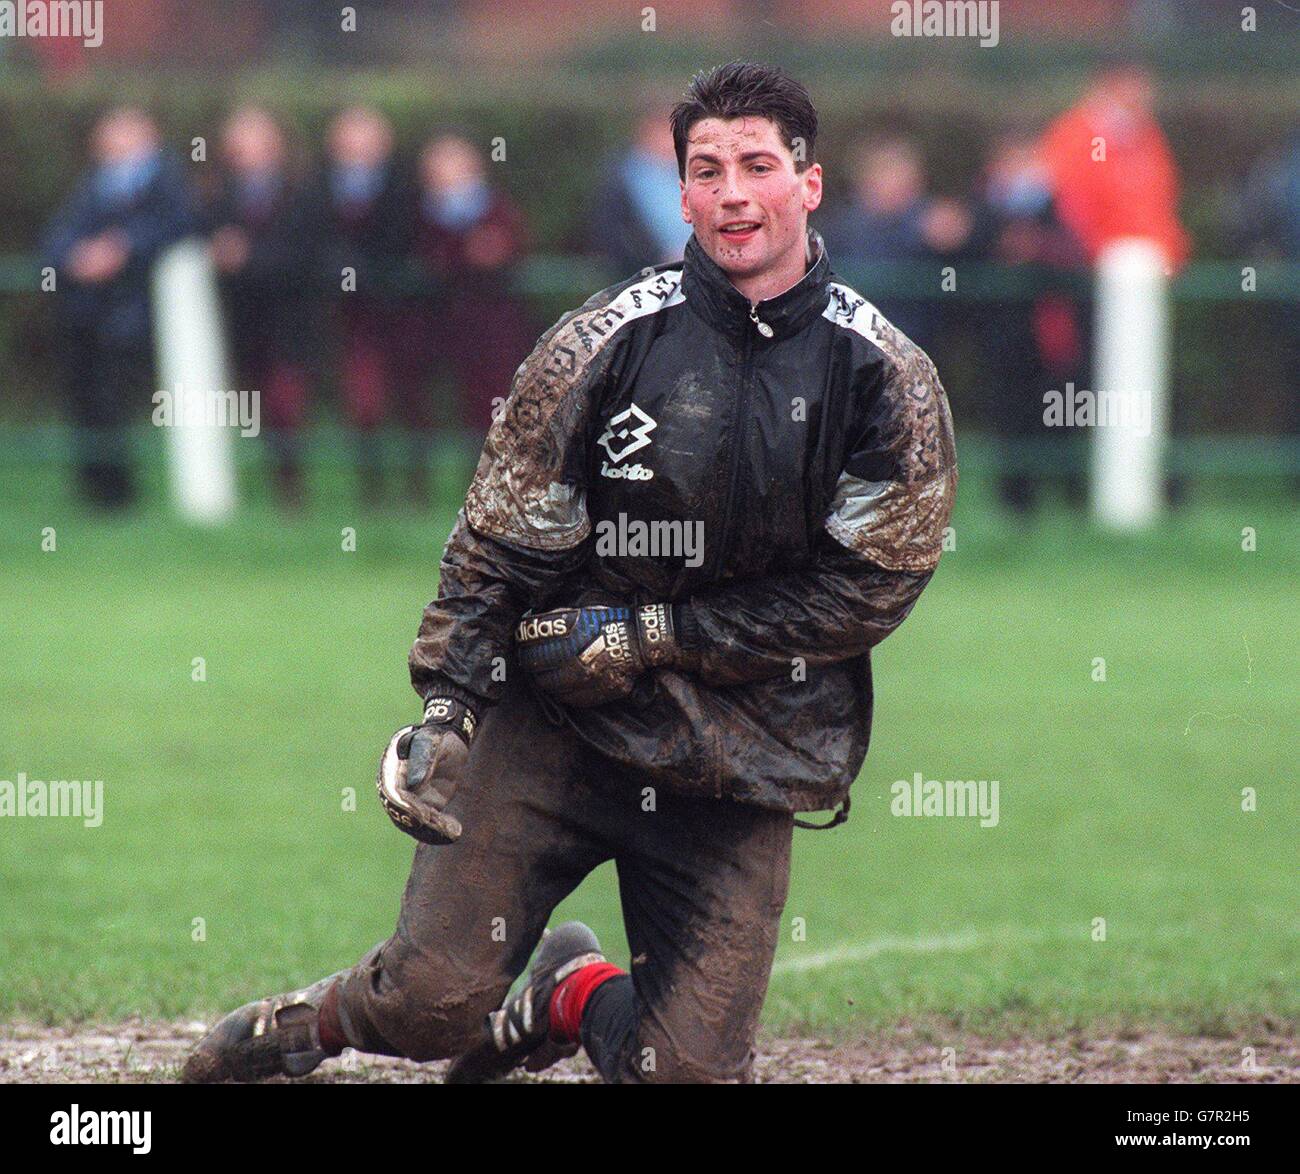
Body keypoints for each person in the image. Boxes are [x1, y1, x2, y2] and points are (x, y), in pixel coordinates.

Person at [182, 61, 956, 1086]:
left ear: (808, 185)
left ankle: (570, 996)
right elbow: (497, 540)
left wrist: (654, 637)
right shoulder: (599, 342)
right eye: (706, 169)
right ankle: (298, 1031)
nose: (732, 194)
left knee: (684, 1073)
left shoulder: (883, 375)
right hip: (556, 719)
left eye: (757, 166)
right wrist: (449, 707)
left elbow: (869, 588)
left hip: (738, 752)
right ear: (679, 191)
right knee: (428, 1004)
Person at [40, 107, 195, 508]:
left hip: (134, 315)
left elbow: (178, 227)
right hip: (85, 314)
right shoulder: (93, 185)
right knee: (86, 402)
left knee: (114, 401)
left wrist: (121, 249)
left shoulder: (167, 182)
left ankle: (119, 494)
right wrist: (76, 257)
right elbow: (58, 237)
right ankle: (95, 491)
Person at [392, 132, 536, 503]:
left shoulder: (495, 208)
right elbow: (431, 259)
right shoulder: (414, 213)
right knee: (419, 405)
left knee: (489, 409)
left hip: (488, 330)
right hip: (430, 327)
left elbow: (509, 249)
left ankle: (489, 487)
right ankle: (416, 488)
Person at [970, 132, 1088, 512]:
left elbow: (1075, 255)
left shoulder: (1054, 208)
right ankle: (1017, 504)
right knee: (1012, 417)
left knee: (1063, 415)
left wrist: (1038, 249)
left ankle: (1073, 498)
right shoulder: (982, 211)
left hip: (1051, 339)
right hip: (1003, 338)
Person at [207, 106, 317, 508]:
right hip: (242, 320)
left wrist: (248, 258)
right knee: (251, 407)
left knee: (285, 404)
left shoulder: (300, 193)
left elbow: (307, 254)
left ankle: (291, 488)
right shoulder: (218, 194)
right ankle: (261, 485)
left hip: (288, 321)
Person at [314, 106, 412, 506]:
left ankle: (415, 489)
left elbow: (403, 243)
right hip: (347, 315)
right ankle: (371, 490)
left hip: (401, 312)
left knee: (409, 401)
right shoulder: (318, 190)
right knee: (363, 401)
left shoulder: (404, 188)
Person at [817, 136, 970, 357]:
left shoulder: (931, 221)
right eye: (884, 174)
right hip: (855, 347)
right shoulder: (841, 227)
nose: (892, 184)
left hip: (918, 343)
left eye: (900, 175)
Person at [588, 108, 696, 275]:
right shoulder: (623, 177)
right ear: (647, 133)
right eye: (664, 133)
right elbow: (613, 234)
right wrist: (659, 257)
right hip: (644, 273)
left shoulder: (689, 172)